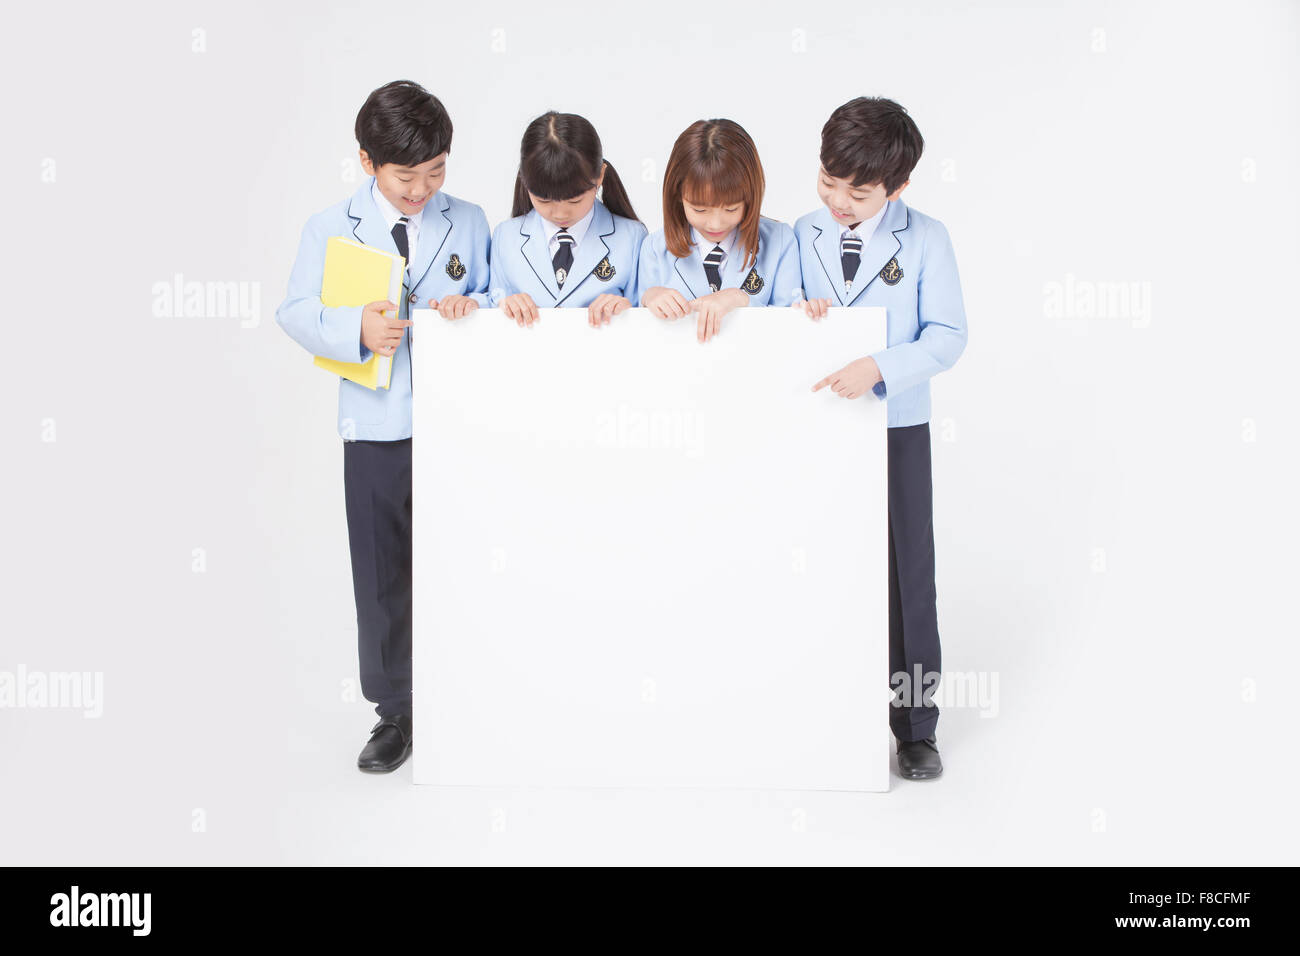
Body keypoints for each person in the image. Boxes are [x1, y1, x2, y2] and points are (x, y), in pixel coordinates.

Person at [275, 80, 491, 773]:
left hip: (457, 422)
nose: (423, 188)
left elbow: (493, 291)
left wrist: (471, 306)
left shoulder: (473, 218)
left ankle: (471, 694)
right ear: (367, 162)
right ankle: (396, 712)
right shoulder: (329, 227)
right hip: (374, 427)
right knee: (382, 573)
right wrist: (356, 329)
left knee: (460, 560)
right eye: (407, 176)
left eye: (437, 171)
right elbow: (296, 310)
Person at [796, 97, 968, 779]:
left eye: (858, 191)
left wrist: (879, 369)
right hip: (813, 429)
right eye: (828, 182)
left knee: (906, 576)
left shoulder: (928, 238)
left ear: (897, 188)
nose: (838, 200)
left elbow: (949, 336)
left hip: (896, 427)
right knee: (816, 561)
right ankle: (818, 704)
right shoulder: (796, 235)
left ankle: (914, 725)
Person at [637, 119, 802, 343]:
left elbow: (794, 328)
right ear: (677, 196)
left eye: (731, 208)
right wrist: (648, 298)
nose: (715, 224)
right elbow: (640, 337)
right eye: (700, 209)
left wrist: (740, 299)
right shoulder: (655, 248)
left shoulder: (781, 241)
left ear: (750, 197)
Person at [489, 111, 647, 328]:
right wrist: (503, 305)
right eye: (544, 200)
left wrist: (627, 310)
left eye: (574, 201)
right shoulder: (505, 237)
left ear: (599, 176)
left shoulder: (633, 237)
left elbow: (648, 316)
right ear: (525, 182)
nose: (560, 214)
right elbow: (488, 311)